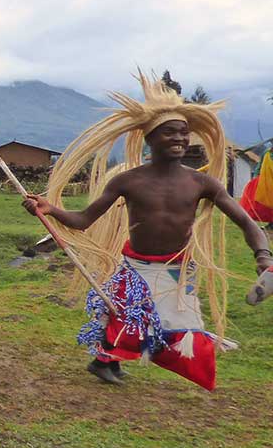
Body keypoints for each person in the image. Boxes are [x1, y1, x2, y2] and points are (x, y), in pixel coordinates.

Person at [22, 72, 273, 390]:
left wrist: (263, 256)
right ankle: (104, 361)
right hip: (137, 265)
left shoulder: (202, 183)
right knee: (125, 315)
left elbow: (246, 221)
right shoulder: (128, 181)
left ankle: (106, 360)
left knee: (181, 327)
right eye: (169, 133)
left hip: (177, 270)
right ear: (150, 138)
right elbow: (84, 219)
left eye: (183, 133)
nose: (179, 139)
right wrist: (49, 209)